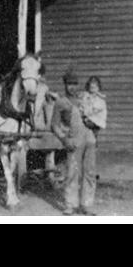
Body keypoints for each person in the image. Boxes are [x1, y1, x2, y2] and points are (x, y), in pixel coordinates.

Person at [50, 66, 96, 216]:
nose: (72, 87)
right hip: (73, 139)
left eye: (75, 84)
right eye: (69, 84)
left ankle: (87, 205)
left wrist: (95, 134)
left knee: (89, 172)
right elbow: (54, 125)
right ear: (65, 85)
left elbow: (97, 118)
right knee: (72, 172)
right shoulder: (61, 102)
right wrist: (64, 140)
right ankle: (70, 204)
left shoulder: (85, 99)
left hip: (89, 139)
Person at [81, 76, 108, 141]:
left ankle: (92, 147)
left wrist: (85, 116)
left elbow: (93, 111)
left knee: (92, 138)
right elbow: (82, 107)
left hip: (96, 120)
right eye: (91, 87)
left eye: (94, 87)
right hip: (87, 119)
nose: (92, 90)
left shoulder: (100, 100)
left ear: (98, 88)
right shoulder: (86, 97)